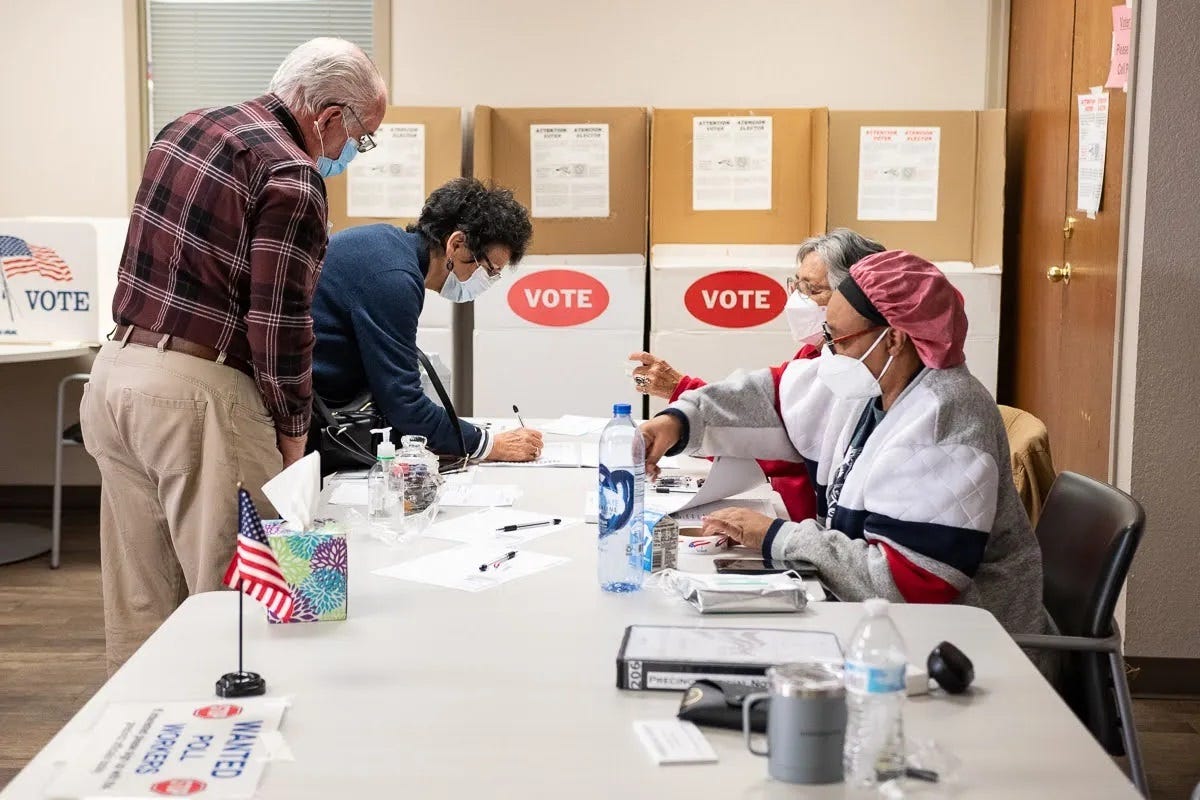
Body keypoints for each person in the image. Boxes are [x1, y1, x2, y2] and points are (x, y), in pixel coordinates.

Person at [80, 38, 388, 673]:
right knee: (237, 609)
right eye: (361, 137)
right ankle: (236, 751)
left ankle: (142, 746)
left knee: (142, 602)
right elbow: (280, 325)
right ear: (329, 116)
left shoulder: (184, 127)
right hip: (198, 397)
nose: (349, 154)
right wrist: (294, 437)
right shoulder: (293, 177)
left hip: (114, 378)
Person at [640, 250, 1051, 641]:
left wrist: (778, 537)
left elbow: (914, 583)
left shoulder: (943, 419)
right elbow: (774, 396)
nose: (828, 352)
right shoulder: (875, 380)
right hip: (888, 623)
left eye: (837, 338)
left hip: (967, 645)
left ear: (894, 339)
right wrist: (675, 422)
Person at [630, 228, 885, 521]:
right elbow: (767, 406)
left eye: (812, 290)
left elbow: (770, 433)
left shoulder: (854, 370)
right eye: (797, 286)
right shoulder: (813, 354)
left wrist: (683, 395)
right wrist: (680, 414)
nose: (798, 300)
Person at [312, 178, 543, 462]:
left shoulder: (388, 247)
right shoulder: (393, 279)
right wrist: (488, 445)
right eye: (490, 270)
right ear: (456, 245)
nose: (489, 281)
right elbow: (404, 405)